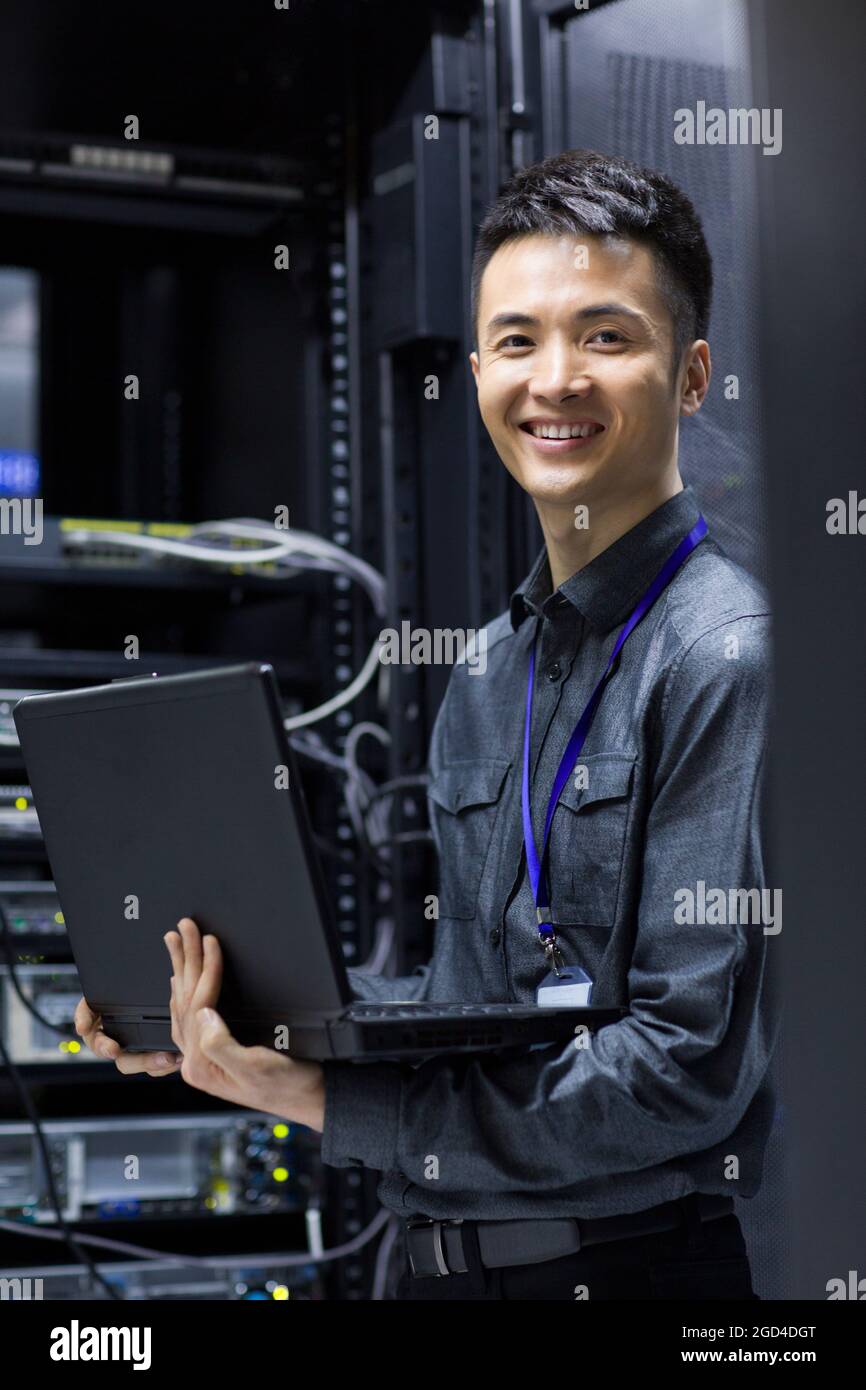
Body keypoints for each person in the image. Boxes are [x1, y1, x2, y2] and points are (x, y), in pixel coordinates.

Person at [76, 148, 777, 1301]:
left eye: (605, 336)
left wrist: (313, 1097)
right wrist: (235, 1025)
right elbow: (482, 1011)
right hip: (433, 1273)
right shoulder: (490, 669)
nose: (552, 379)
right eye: (515, 341)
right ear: (477, 370)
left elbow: (679, 1070)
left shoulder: (724, 654)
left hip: (628, 1273)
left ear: (690, 374)